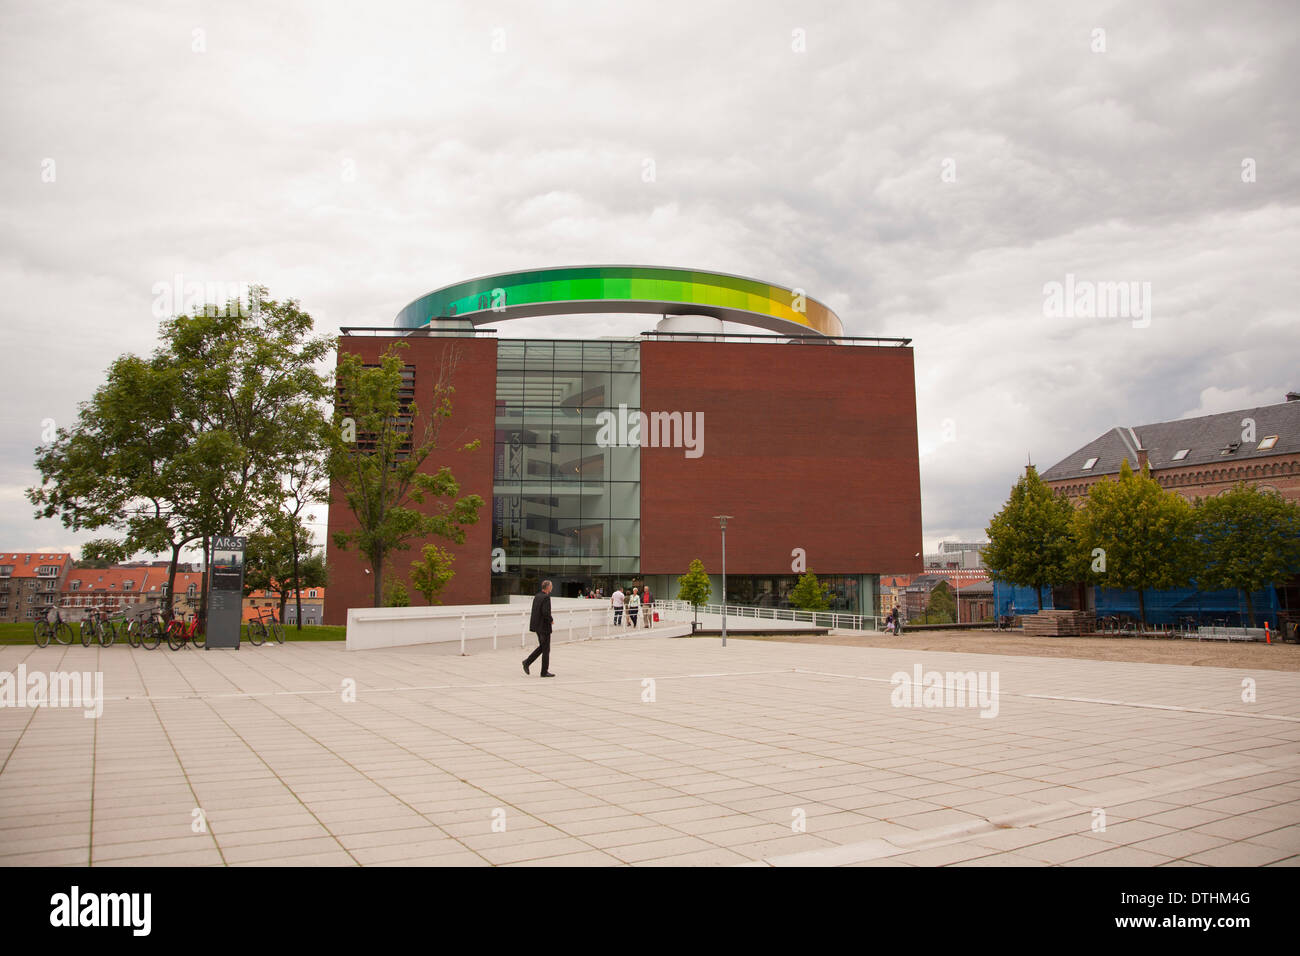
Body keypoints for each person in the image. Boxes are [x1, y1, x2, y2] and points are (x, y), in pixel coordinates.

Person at [523, 580, 555, 677]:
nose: (552, 587)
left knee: (543, 647)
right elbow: (545, 612)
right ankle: (544, 672)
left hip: (537, 626)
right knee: (546, 649)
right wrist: (551, 620)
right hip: (544, 627)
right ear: (548, 587)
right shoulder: (546, 597)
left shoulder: (537, 596)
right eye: (551, 586)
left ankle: (527, 662)